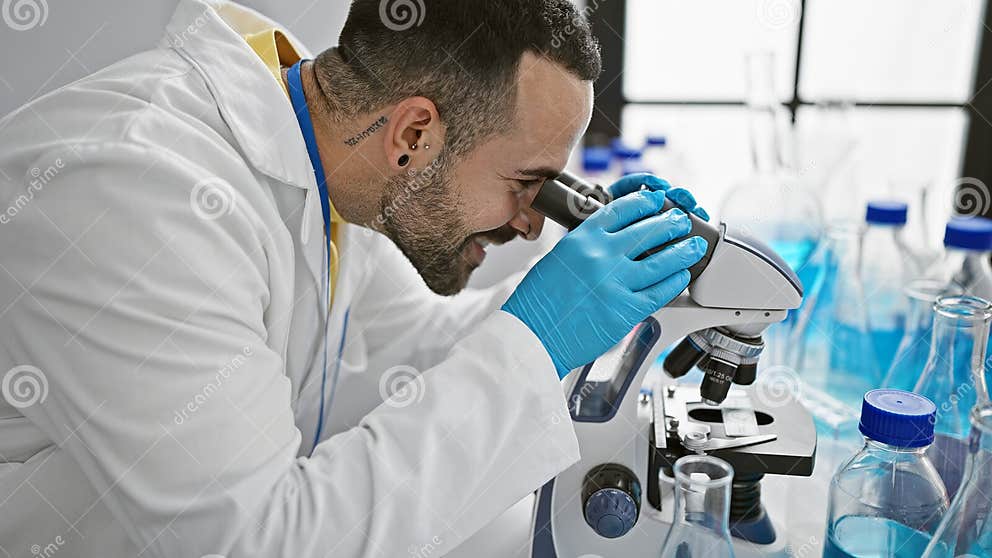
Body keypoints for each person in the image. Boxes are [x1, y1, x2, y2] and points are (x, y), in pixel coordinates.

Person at [0, 1, 708, 556]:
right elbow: (255, 544)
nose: (532, 222)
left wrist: (602, 289)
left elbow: (404, 350)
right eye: (528, 182)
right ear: (412, 137)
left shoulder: (332, 165)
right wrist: (543, 331)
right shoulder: (136, 195)